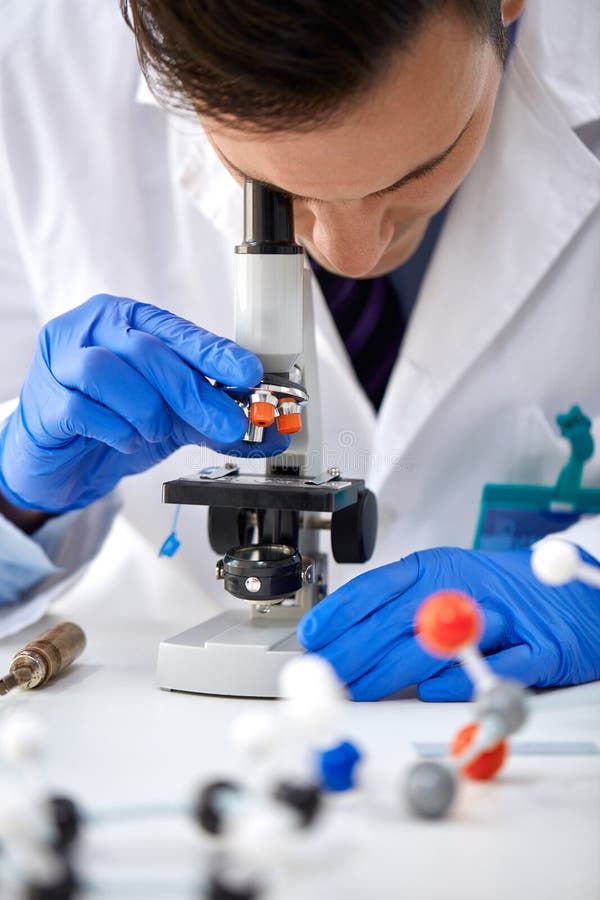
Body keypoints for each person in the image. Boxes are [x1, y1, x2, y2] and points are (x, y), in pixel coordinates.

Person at [0, 1, 598, 698]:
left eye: (412, 174)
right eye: (279, 192)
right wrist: (16, 502)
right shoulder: (31, 73)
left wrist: (589, 575)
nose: (352, 253)